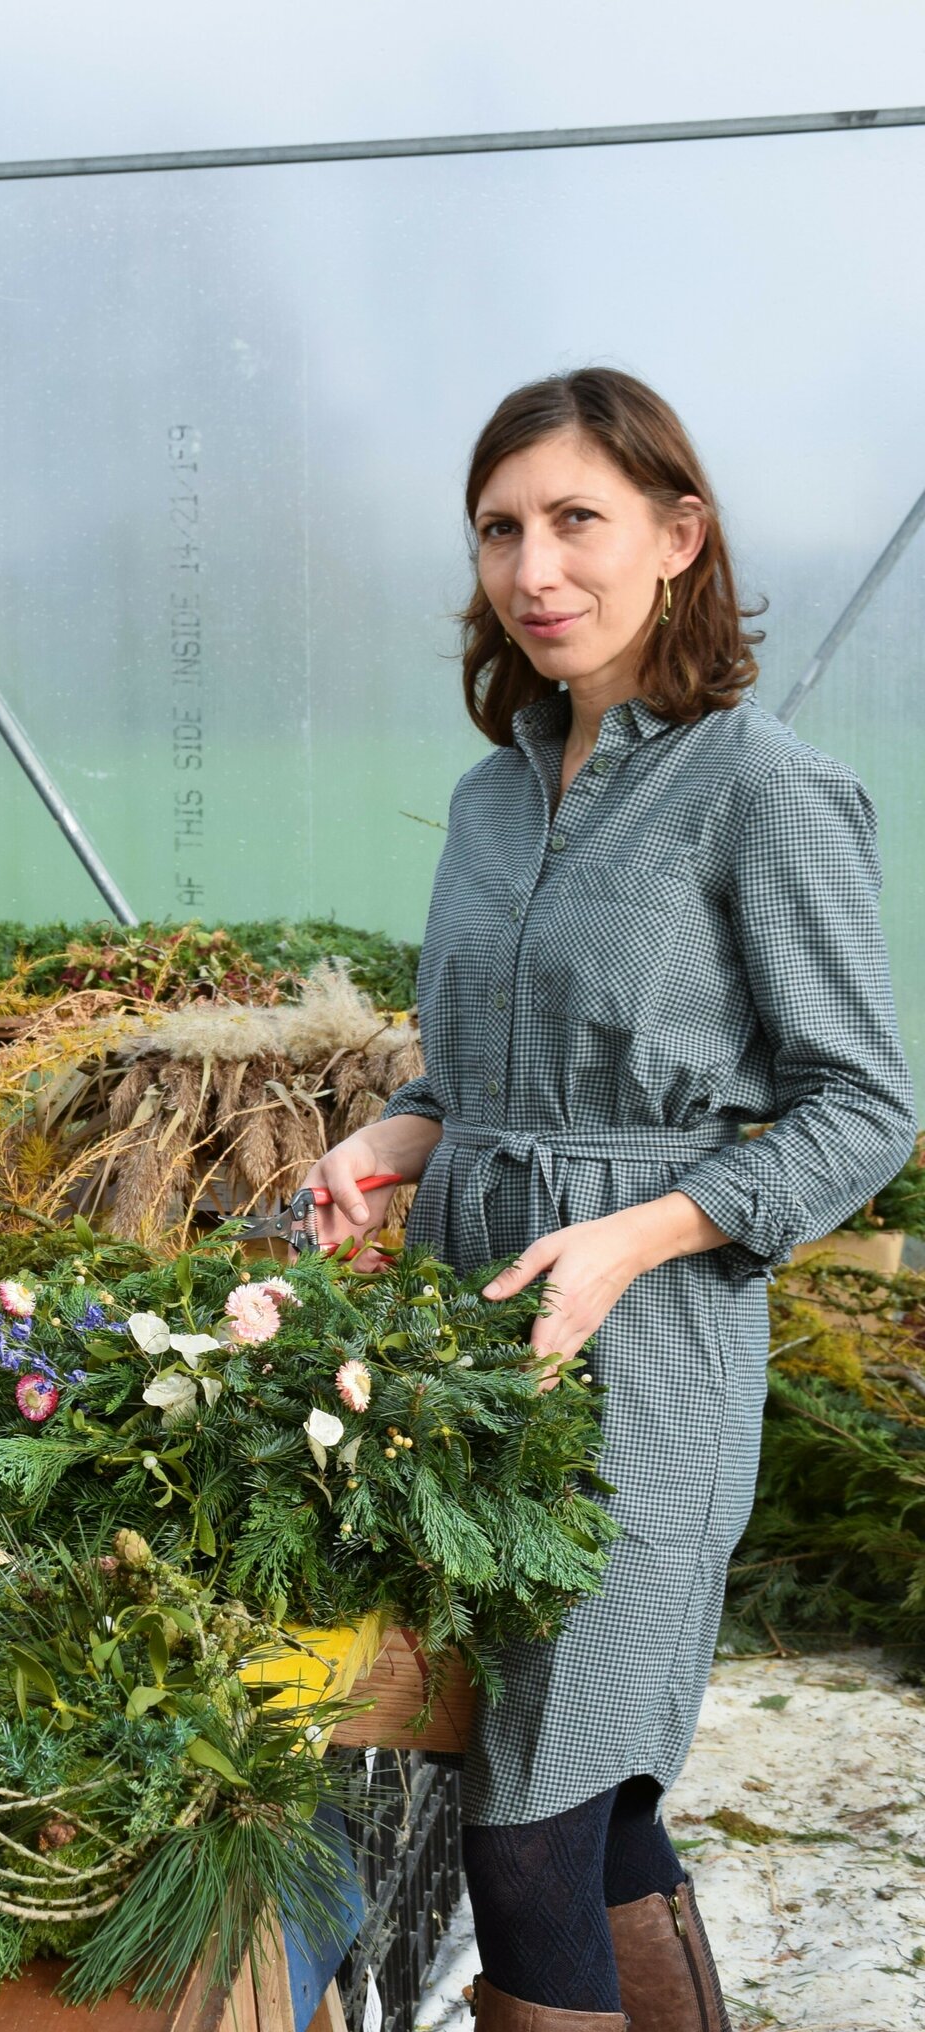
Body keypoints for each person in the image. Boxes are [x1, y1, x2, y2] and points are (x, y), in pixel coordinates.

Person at [305, 369, 915, 2032]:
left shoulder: (758, 787)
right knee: (576, 1788)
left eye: (576, 519)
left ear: (676, 533)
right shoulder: (495, 794)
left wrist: (641, 1229)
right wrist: (390, 1141)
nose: (533, 568)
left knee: (522, 1826)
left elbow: (861, 1104)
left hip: (644, 1367)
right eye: (499, 529)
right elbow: (472, 1074)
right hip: (464, 1352)